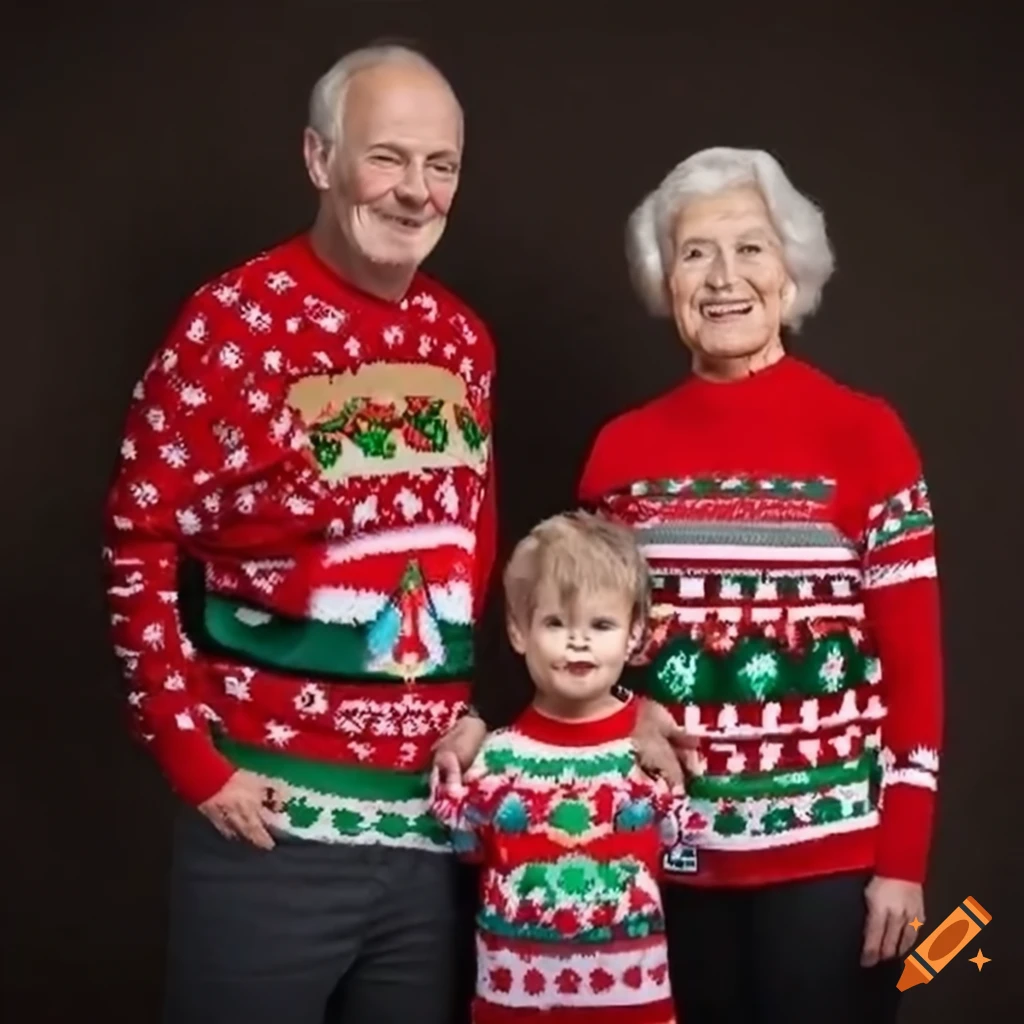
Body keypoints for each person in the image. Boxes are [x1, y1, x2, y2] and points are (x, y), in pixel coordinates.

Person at [103, 43, 496, 1024]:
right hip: (271, 834)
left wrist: (458, 697)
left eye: (439, 165)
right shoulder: (230, 325)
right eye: (387, 158)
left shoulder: (463, 339)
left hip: (423, 837)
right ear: (320, 160)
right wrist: (192, 758)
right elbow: (141, 536)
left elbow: (467, 533)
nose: (414, 192)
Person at [576, 147, 944, 1024]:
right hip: (661, 859)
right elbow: (583, 653)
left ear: (791, 273)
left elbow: (917, 670)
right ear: (666, 280)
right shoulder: (616, 454)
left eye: (751, 248)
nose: (723, 277)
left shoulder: (866, 434)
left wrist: (903, 861)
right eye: (696, 252)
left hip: (833, 866)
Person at [431, 511, 686, 1023]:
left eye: (601, 624)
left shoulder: (650, 752)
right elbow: (462, 847)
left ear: (635, 634)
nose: (578, 640)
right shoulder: (493, 757)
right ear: (518, 631)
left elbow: (677, 843)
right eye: (555, 622)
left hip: (631, 1005)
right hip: (514, 1003)